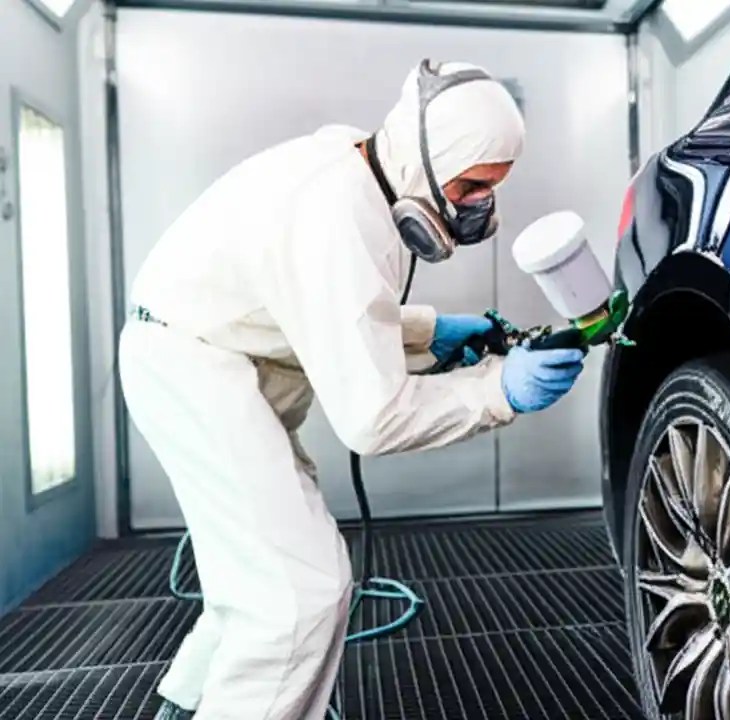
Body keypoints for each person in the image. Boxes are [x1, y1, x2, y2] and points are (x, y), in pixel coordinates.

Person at [119, 60, 585, 720]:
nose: (478, 207)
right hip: (196, 368)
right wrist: (498, 391)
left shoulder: (361, 176)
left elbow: (338, 312)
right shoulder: (334, 211)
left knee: (257, 568)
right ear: (433, 157)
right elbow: (374, 419)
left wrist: (431, 333)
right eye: (473, 185)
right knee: (298, 593)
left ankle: (191, 703)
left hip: (218, 358)